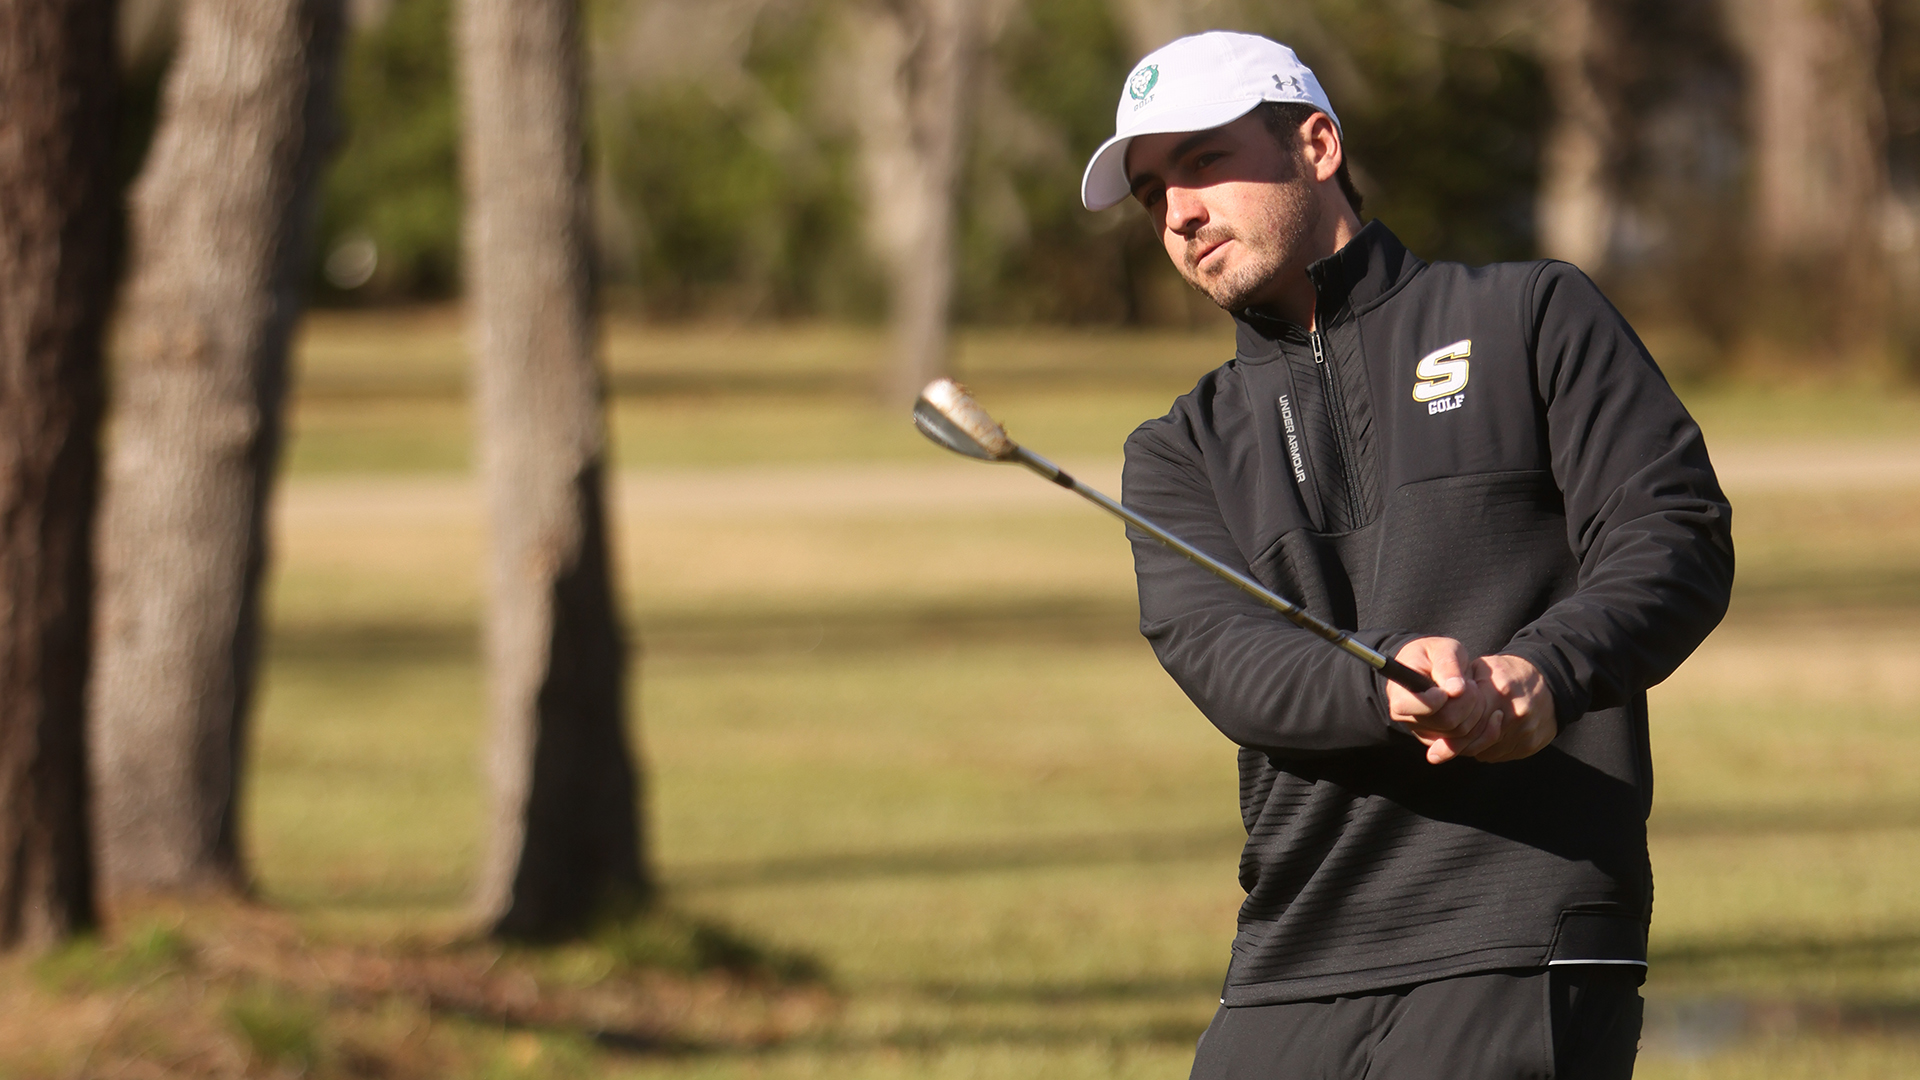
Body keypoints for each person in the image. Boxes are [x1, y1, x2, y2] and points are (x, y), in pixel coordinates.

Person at [1081, 31, 1735, 1079]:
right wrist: (1384, 685)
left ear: (1318, 145)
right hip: (1291, 955)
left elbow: (1674, 535)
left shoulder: (1531, 316)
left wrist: (1545, 674)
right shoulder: (1179, 450)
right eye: (1154, 193)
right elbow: (1224, 657)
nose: (1179, 214)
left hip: (1526, 930)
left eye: (1205, 162)